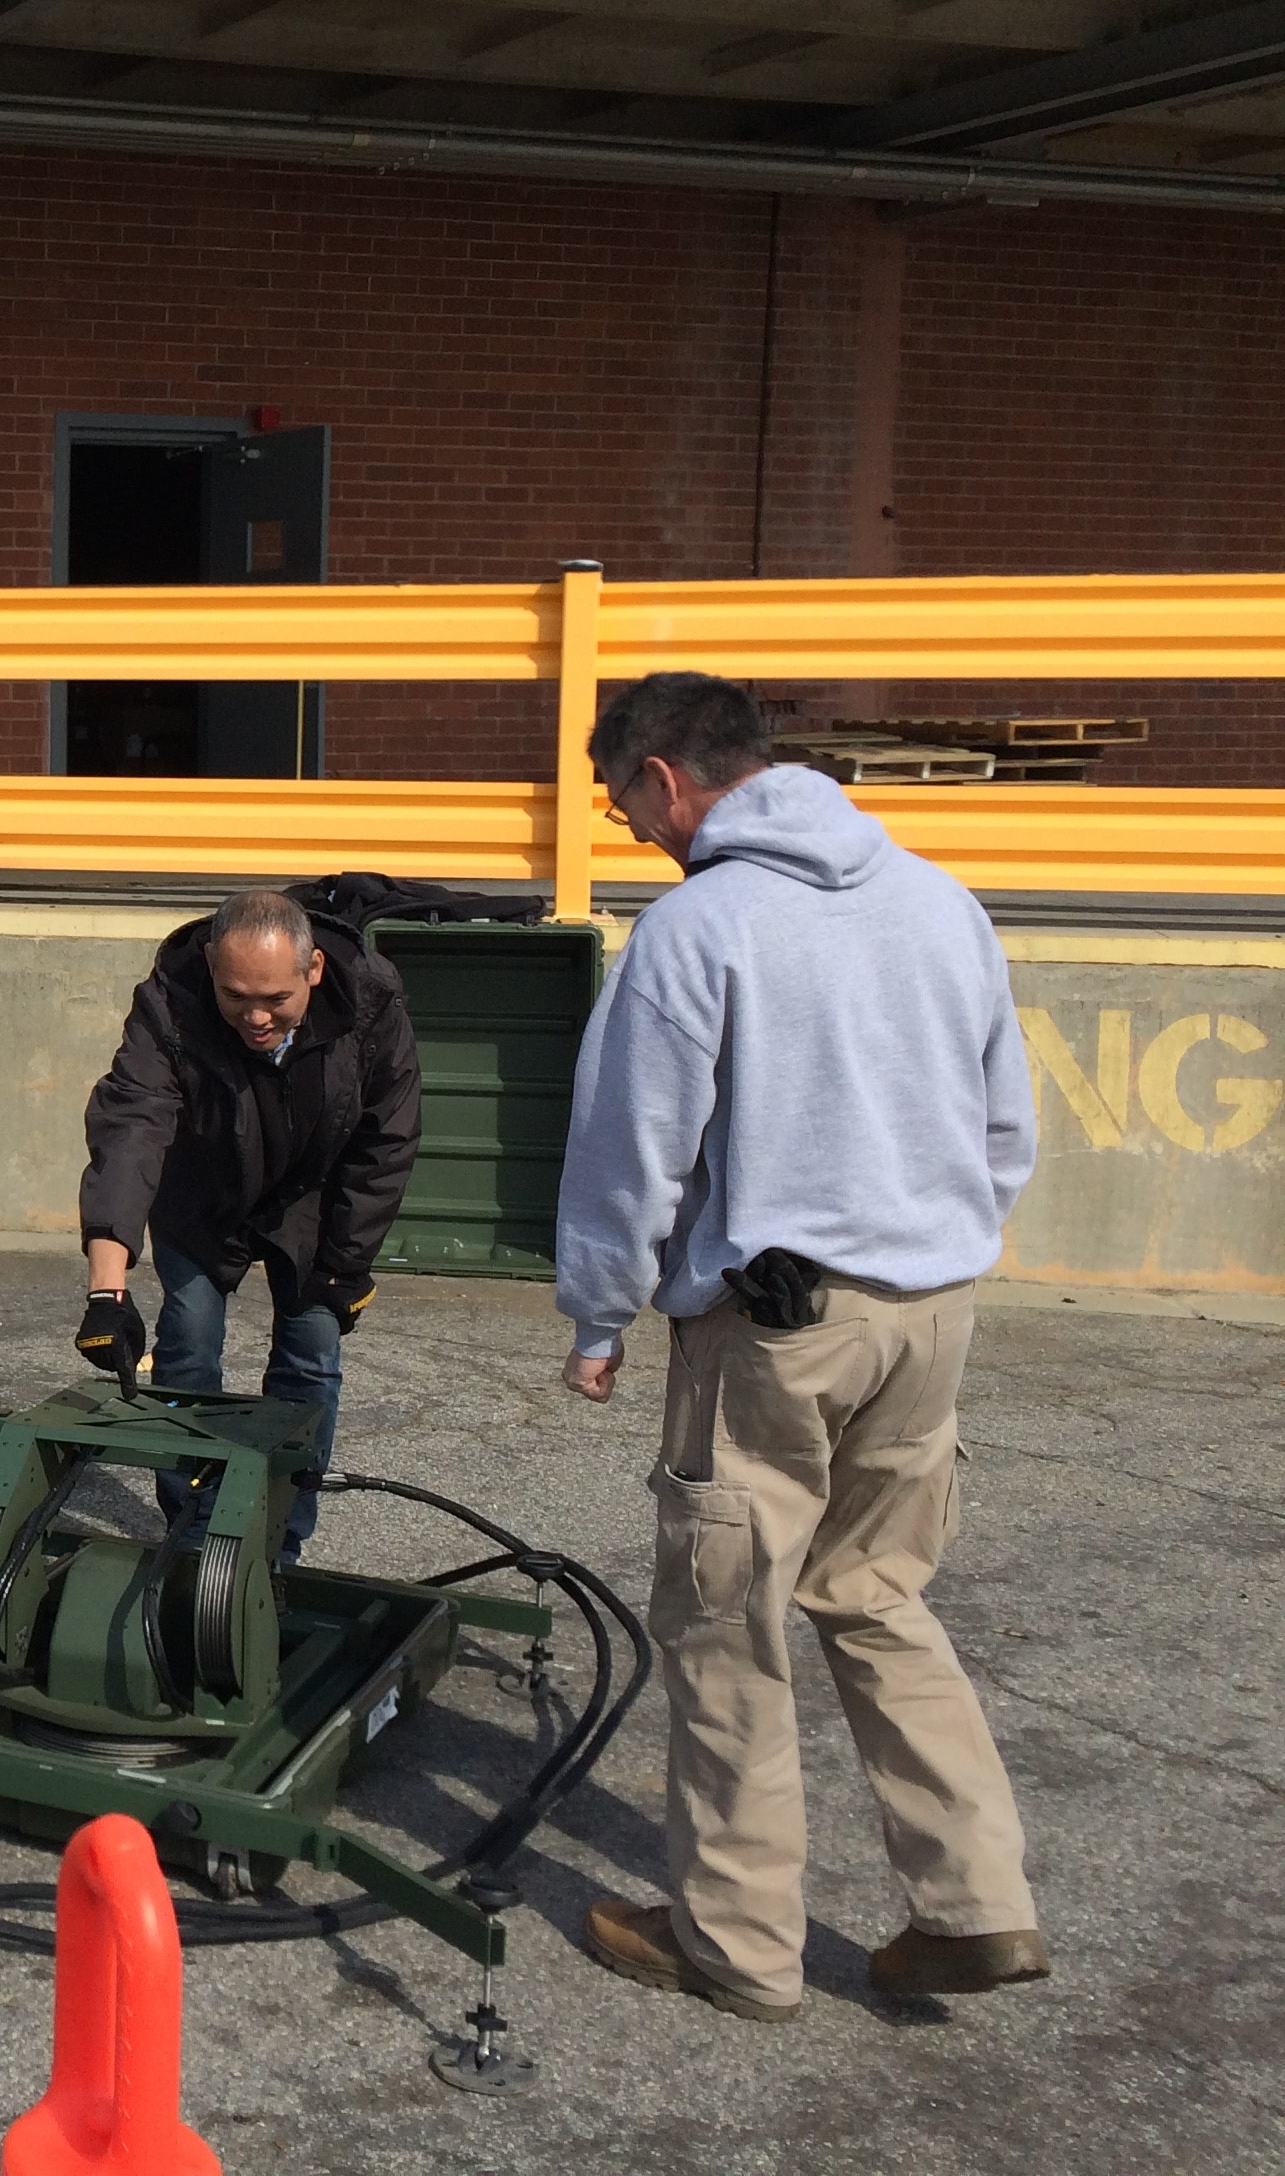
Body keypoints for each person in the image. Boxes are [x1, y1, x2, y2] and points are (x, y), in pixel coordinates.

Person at [555, 670, 1044, 2022]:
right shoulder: (939, 902)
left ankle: (738, 1944)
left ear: (663, 778)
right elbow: (1008, 1128)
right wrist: (938, 1245)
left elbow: (629, 1154)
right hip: (931, 1313)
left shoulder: (701, 927)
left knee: (727, 1627)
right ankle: (976, 1903)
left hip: (779, 1328)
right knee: (879, 1595)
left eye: (621, 803)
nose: (631, 829)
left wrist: (601, 1315)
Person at [74, 888, 420, 1562]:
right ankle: (193, 1529)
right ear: (209, 966)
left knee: (311, 1352)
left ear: (313, 969)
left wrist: (345, 1265)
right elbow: (131, 1127)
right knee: (188, 1347)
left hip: (313, 1193)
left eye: (275, 1000)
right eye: (236, 997)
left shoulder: (370, 1002)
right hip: (202, 1188)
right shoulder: (170, 1001)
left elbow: (387, 1140)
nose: (255, 1016)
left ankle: (277, 1538)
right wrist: (105, 1291)